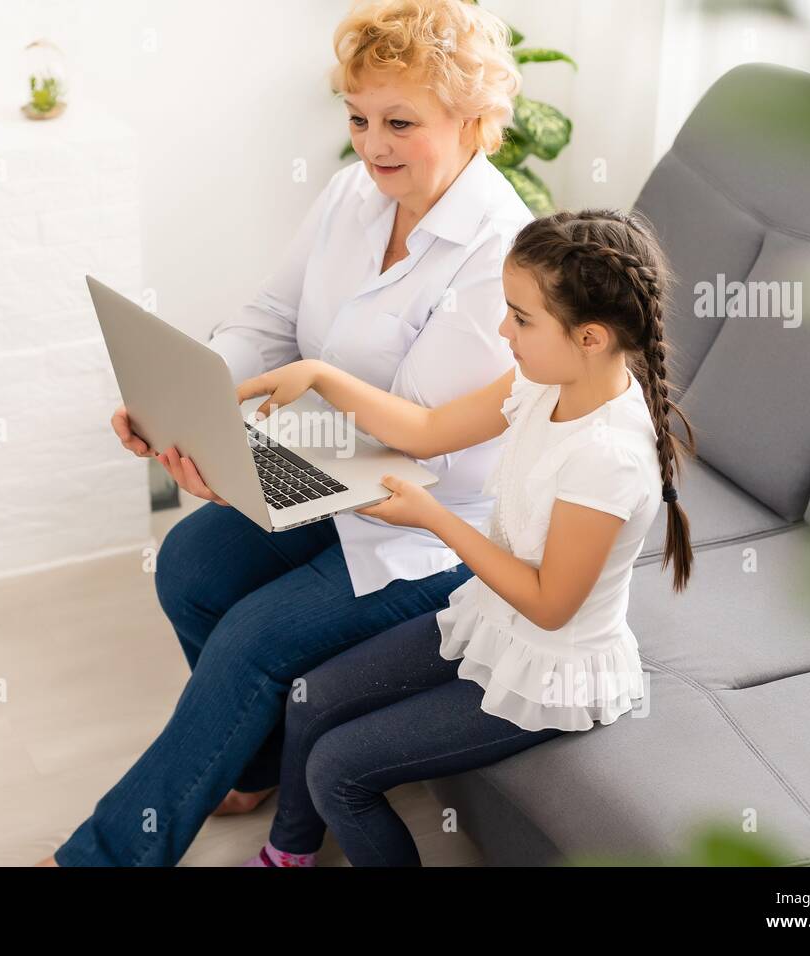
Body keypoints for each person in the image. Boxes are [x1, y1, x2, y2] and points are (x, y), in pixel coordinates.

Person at [42, 0, 532, 866]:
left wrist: (250, 453)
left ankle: (109, 856)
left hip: (427, 525)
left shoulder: (501, 252)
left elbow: (417, 439)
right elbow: (270, 321)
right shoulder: (354, 193)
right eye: (358, 117)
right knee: (190, 565)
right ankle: (256, 757)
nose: (372, 143)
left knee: (252, 639)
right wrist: (179, 408)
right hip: (330, 476)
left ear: (477, 121)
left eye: (400, 122)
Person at [233, 208, 696, 866]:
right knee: (311, 700)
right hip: (490, 618)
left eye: (522, 318)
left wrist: (433, 516)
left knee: (338, 770)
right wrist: (322, 377)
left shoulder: (608, 457)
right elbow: (425, 430)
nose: (503, 330)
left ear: (590, 337)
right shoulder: (545, 379)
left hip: (552, 673)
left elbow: (549, 604)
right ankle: (287, 856)